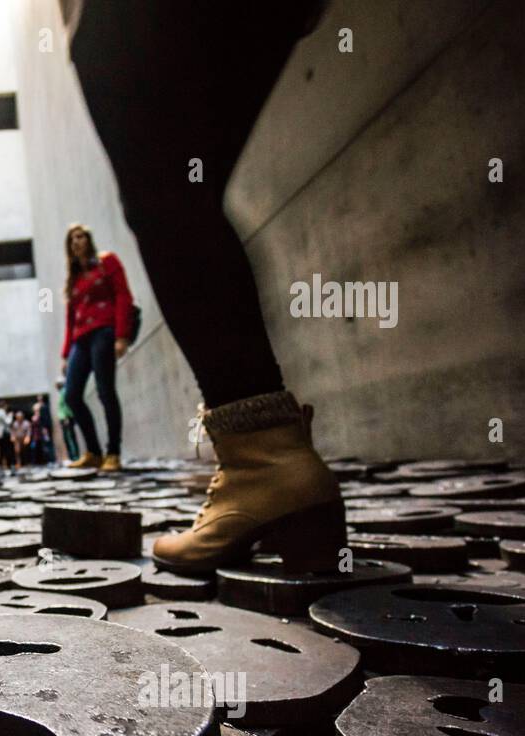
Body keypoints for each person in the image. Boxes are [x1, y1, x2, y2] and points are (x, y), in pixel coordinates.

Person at [68, 0, 343, 575]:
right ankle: (271, 463)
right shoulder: (75, 281)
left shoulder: (103, 266)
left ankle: (267, 464)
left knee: (164, 184)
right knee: (181, 185)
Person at [61, 224, 131, 474]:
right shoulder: (74, 278)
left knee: (105, 391)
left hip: (104, 331)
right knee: (71, 395)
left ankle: (113, 452)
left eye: (80, 237)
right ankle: (93, 452)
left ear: (89, 239)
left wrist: (121, 335)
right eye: (72, 239)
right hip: (80, 340)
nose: (77, 242)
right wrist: (65, 354)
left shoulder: (107, 262)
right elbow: (70, 319)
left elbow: (123, 296)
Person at [55, 373, 81, 462]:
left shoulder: (64, 392)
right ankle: (72, 457)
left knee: (70, 438)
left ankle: (75, 457)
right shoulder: (62, 392)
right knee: (67, 438)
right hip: (63, 418)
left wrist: (66, 417)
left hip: (67, 418)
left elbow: (66, 406)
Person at [0, 404, 11, 468]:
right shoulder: (1, 412)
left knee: (1, 450)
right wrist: (10, 416)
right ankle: (6, 464)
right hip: (4, 433)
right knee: (5, 449)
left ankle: (1, 464)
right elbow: (8, 422)